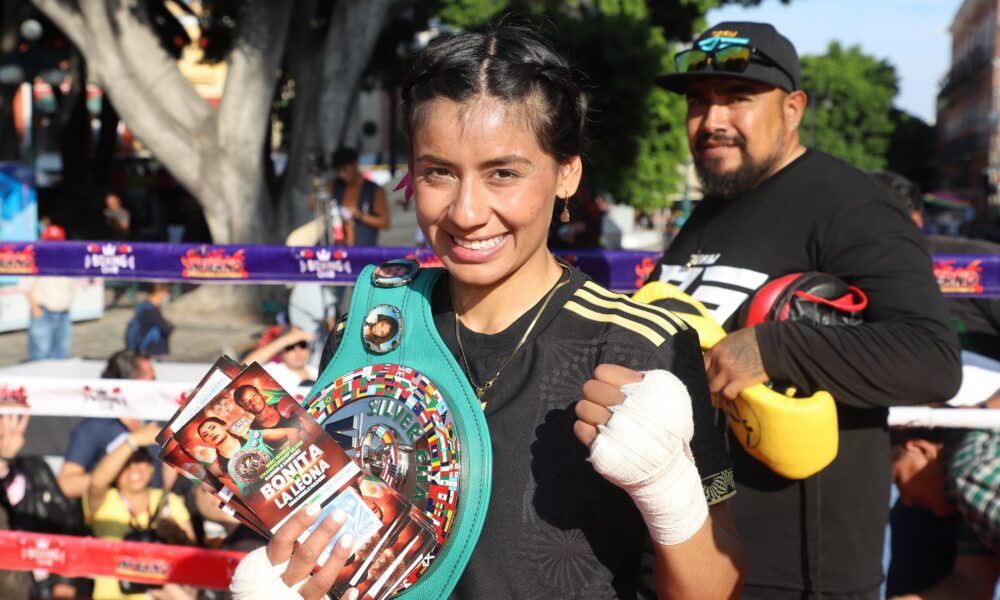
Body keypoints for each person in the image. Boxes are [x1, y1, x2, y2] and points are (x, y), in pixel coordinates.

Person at [232, 22, 745, 599]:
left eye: (503, 172)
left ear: (566, 173)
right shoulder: (371, 332)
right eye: (438, 172)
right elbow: (336, 546)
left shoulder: (639, 347)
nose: (467, 211)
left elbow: (717, 589)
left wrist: (667, 486)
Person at [651, 21, 961, 599]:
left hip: (795, 576)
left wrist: (775, 348)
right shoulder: (710, 209)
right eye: (699, 102)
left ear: (793, 108)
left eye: (737, 98)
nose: (712, 120)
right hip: (691, 559)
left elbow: (934, 358)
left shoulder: (850, 204)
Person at [889, 426, 1000, 599]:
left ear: (920, 448)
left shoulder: (968, 470)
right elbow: (972, 583)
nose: (906, 499)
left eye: (897, 479)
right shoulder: (963, 496)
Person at [85, 429, 194, 599]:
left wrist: (175, 537)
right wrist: (133, 440)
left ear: (151, 466)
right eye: (125, 463)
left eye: (140, 460)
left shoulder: (169, 500)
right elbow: (96, 482)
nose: (133, 468)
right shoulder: (104, 500)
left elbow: (191, 556)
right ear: (113, 472)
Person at [57, 349, 167, 500]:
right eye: (151, 380)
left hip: (156, 513)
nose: (157, 386)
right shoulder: (95, 426)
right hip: (111, 515)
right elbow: (67, 484)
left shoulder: (157, 419)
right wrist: (110, 476)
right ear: (127, 385)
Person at [20, 223, 75, 361]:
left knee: (61, 355)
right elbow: (26, 286)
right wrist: (35, 309)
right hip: (44, 313)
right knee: (40, 355)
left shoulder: (66, 259)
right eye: (51, 241)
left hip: (64, 313)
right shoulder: (36, 257)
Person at [330, 147, 390, 248]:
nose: (342, 174)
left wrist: (360, 216)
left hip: (364, 251)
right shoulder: (333, 186)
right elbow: (316, 208)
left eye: (345, 169)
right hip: (337, 252)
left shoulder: (374, 190)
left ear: (355, 164)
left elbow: (385, 222)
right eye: (339, 170)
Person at [241, 326, 318, 391]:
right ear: (281, 352)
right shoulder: (275, 372)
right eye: (290, 347)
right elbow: (244, 369)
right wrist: (285, 340)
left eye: (302, 345)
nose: (298, 351)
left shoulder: (317, 371)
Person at [125, 282, 174, 357]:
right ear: (159, 293)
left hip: (148, 351)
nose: (167, 296)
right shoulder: (150, 311)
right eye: (166, 293)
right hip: (152, 353)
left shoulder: (145, 307)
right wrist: (169, 324)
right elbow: (167, 329)